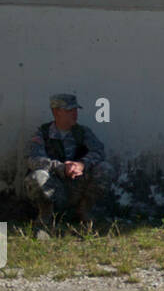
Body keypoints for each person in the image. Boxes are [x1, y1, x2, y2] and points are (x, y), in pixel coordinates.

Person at [24, 93, 111, 227]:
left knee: (105, 169)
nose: (74, 114)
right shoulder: (43, 133)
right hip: (54, 186)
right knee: (37, 176)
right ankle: (46, 214)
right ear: (56, 112)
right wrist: (60, 167)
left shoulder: (82, 132)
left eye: (75, 110)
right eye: (69, 110)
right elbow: (33, 158)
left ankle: (84, 210)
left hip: (77, 184)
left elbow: (98, 151)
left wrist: (81, 164)